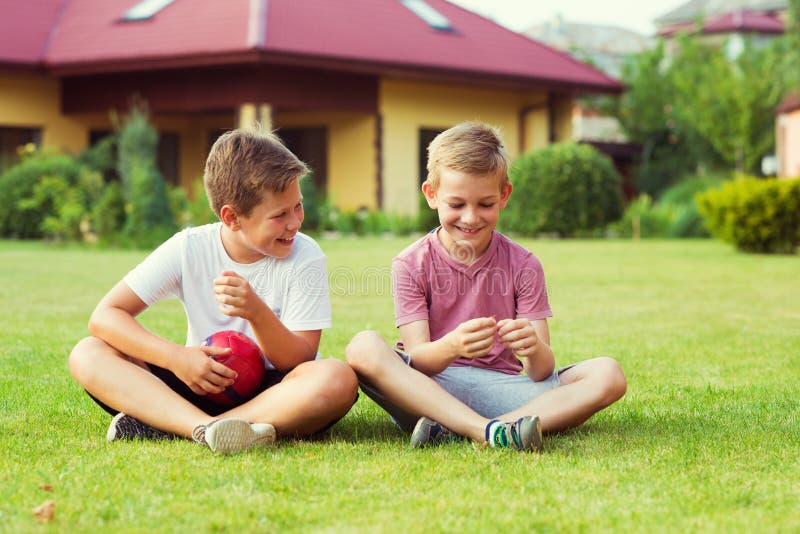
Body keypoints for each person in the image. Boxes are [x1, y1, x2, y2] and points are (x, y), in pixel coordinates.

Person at [69, 128, 358, 454]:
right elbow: (106, 316)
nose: (295, 222)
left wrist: (256, 312)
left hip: (274, 393)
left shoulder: (305, 256)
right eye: (280, 215)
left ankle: (177, 425)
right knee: (88, 353)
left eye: (298, 206)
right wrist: (176, 358)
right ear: (232, 217)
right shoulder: (189, 248)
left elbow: (299, 358)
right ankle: (202, 427)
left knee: (338, 378)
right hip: (198, 379)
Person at [346, 122, 626, 452]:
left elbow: (541, 371)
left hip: (503, 390)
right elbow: (418, 361)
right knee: (363, 347)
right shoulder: (410, 263)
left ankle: (465, 429)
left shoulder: (524, 265)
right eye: (457, 204)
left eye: (485, 204)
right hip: (431, 390)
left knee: (609, 374)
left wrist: (533, 347)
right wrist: (452, 346)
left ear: (504, 195)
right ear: (431, 195)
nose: (471, 217)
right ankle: (489, 430)